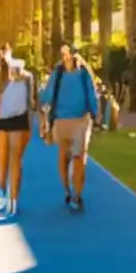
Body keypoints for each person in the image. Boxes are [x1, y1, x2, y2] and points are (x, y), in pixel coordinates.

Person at [41, 43, 100, 211]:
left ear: (75, 54)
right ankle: (67, 189)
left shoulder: (83, 74)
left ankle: (77, 194)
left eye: (69, 54)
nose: (66, 57)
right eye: (63, 54)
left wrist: (96, 114)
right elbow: (47, 95)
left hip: (81, 120)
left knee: (79, 156)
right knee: (64, 156)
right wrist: (44, 113)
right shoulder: (57, 74)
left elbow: (91, 94)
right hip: (61, 120)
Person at [0, 43, 35, 216]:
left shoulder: (21, 71)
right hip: (5, 119)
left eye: (6, 52)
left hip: (15, 118)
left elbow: (31, 99)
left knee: (13, 158)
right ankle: (6, 194)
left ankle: (12, 198)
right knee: (6, 161)